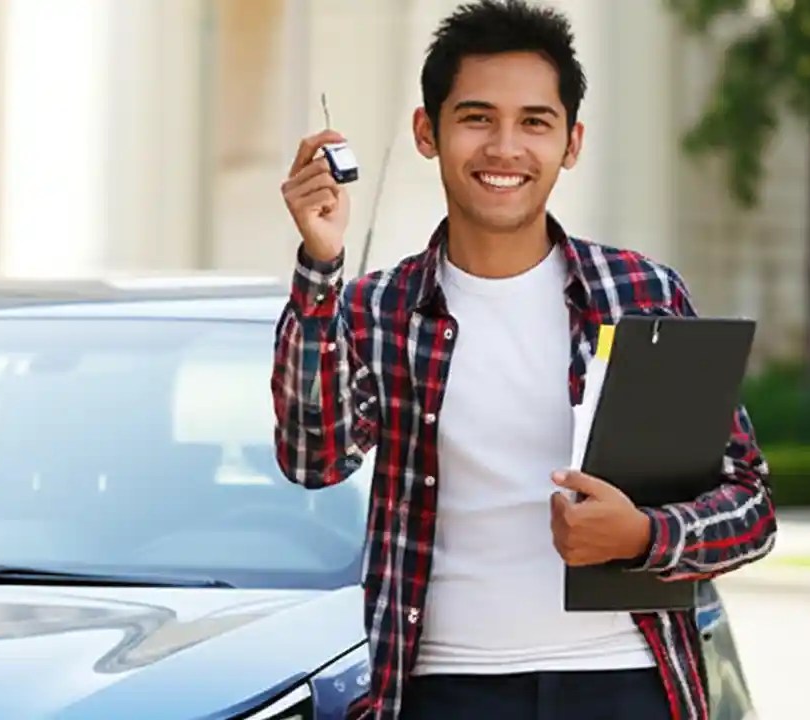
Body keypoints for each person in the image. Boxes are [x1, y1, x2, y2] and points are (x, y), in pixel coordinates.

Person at [271, 1, 777, 718]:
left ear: (571, 143)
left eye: (534, 122)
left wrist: (644, 535)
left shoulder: (641, 294)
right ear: (428, 132)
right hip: (445, 687)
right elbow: (311, 458)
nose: (504, 147)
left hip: (624, 682)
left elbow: (751, 505)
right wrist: (321, 265)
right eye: (477, 117)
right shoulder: (376, 310)